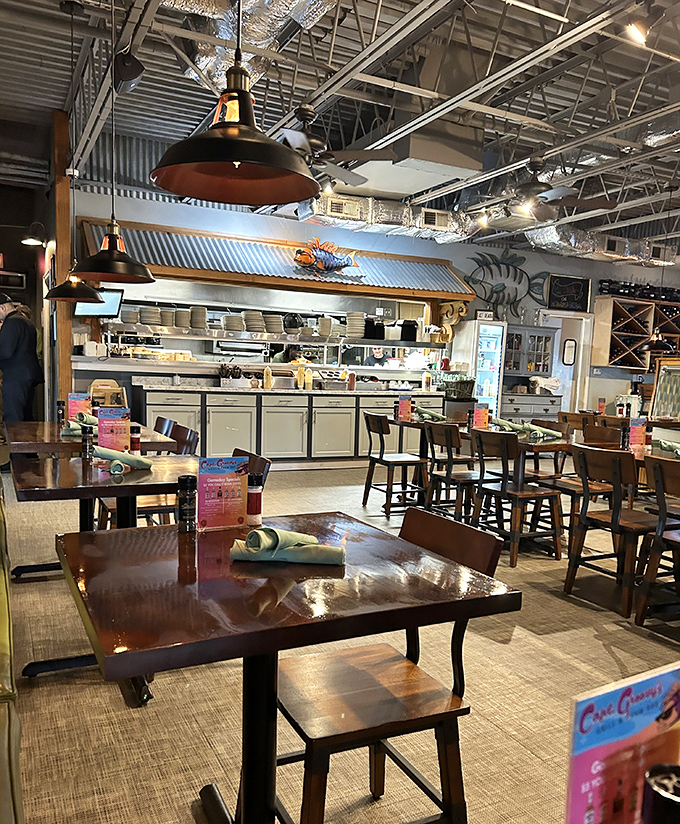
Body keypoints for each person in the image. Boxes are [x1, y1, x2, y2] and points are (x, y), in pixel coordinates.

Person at [0, 294, 43, 421]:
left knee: (13, 417)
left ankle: (14, 441)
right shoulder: (26, 322)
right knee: (26, 416)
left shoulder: (11, 322)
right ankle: (25, 441)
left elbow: (6, 351)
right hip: (27, 375)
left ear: (2, 308)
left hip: (15, 376)